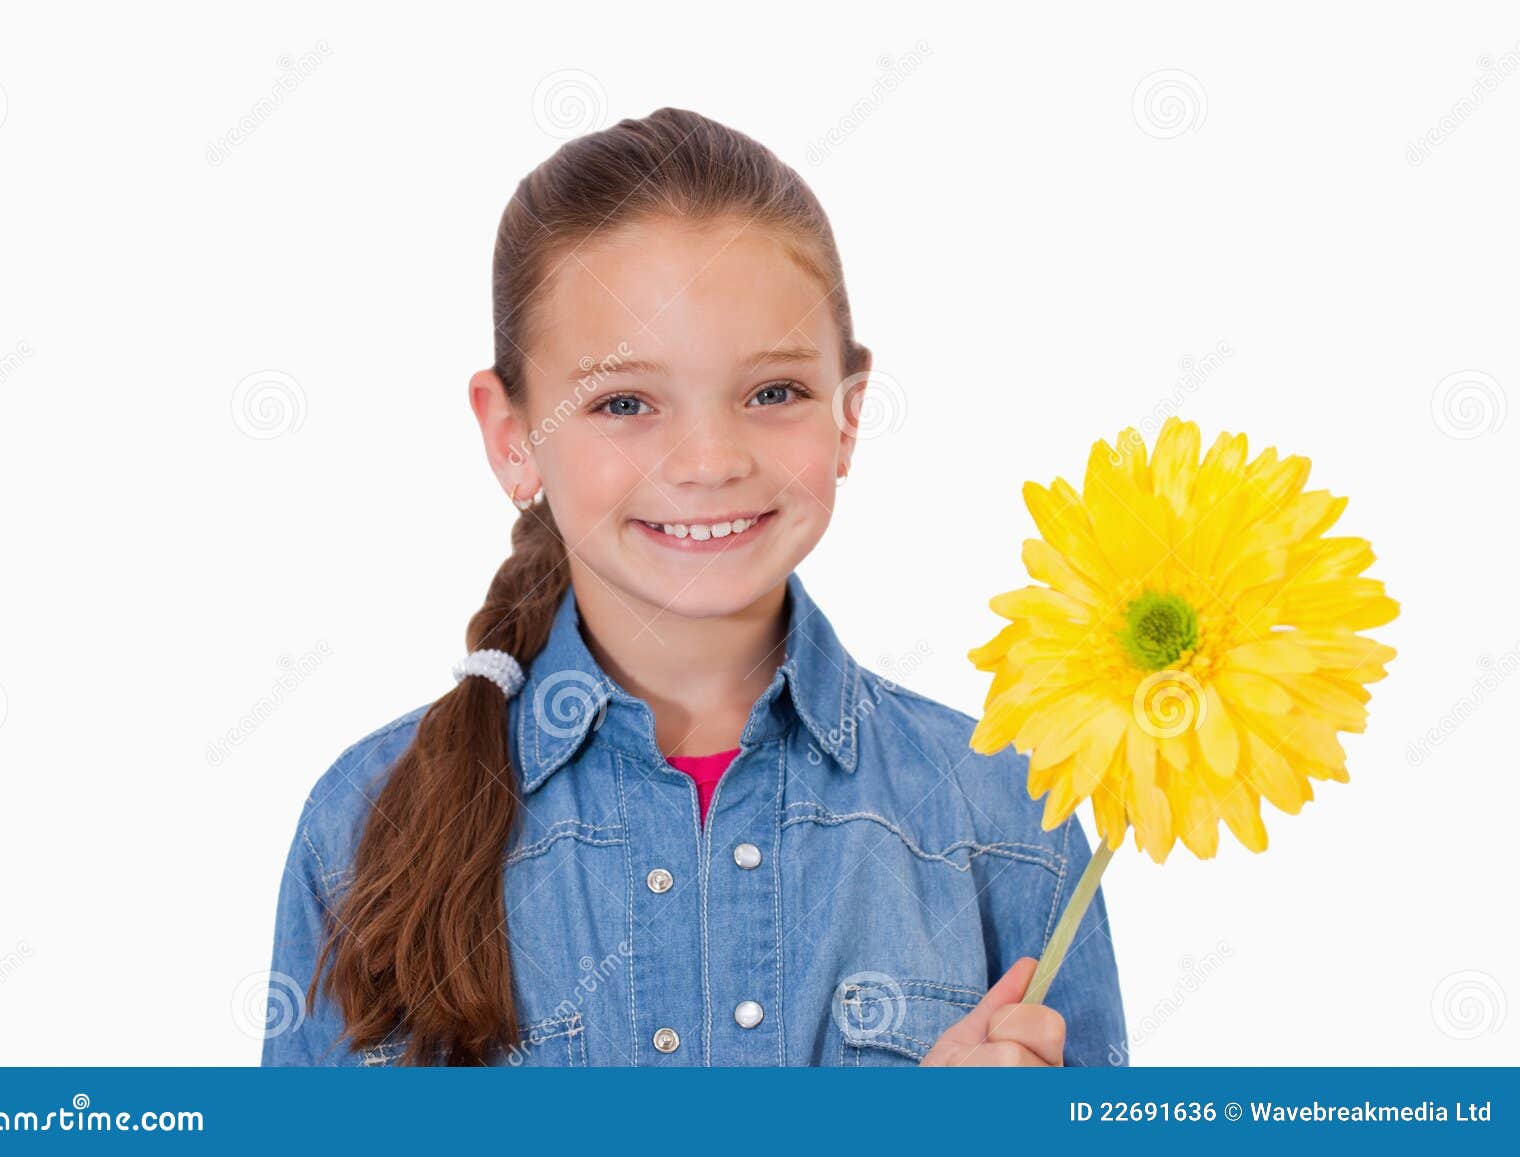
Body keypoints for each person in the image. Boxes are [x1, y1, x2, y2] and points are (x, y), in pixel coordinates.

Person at [261, 107, 1127, 1068]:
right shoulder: (364, 824)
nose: (710, 460)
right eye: (625, 402)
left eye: (773, 393)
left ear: (848, 415)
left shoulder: (1004, 811)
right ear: (512, 437)